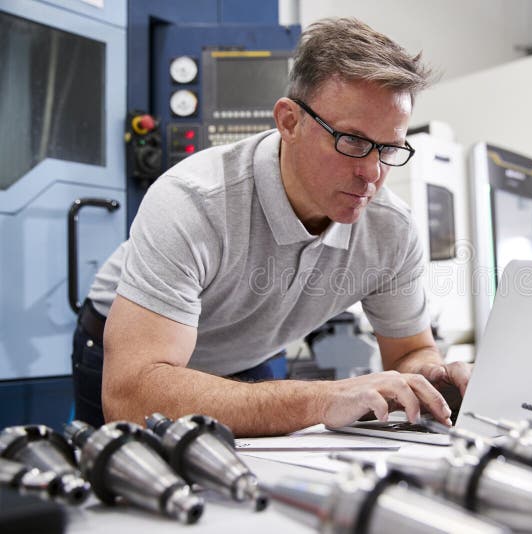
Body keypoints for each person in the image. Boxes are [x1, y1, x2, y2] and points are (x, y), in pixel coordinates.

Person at [71, 17, 471, 437]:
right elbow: (133, 396)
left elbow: (409, 349)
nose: (372, 173)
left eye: (389, 148)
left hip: (241, 359)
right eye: (352, 141)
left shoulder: (392, 229)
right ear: (289, 121)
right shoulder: (194, 200)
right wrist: (323, 398)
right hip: (131, 359)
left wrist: (431, 376)